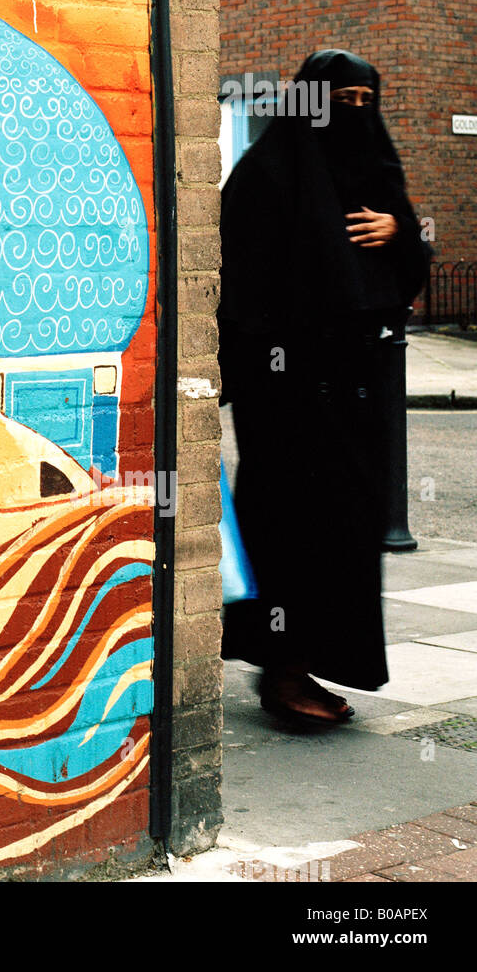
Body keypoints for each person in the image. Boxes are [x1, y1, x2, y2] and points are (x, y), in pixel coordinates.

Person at [218, 50, 432, 724]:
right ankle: (281, 674)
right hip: (285, 395)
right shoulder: (267, 174)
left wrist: (399, 234)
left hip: (353, 388)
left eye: (367, 102)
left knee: (345, 529)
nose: (356, 115)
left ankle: (311, 664)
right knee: (291, 526)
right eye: (342, 101)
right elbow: (238, 281)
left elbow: (406, 273)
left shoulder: (370, 167)